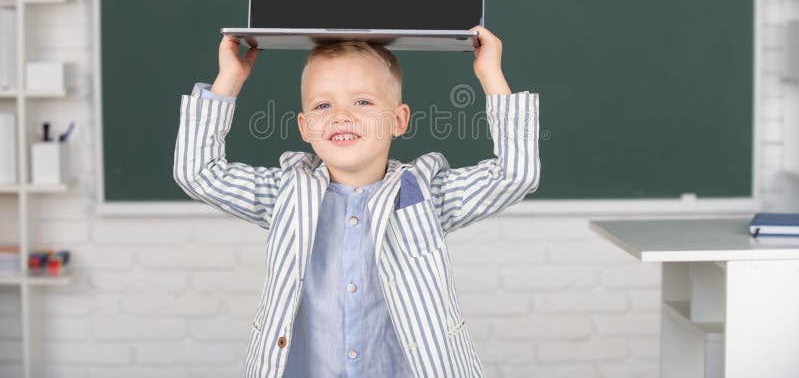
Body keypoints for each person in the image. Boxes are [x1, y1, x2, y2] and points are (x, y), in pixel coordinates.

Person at [173, 25, 540, 378]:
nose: (341, 116)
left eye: (362, 101)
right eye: (322, 106)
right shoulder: (286, 193)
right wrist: (229, 81)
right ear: (304, 127)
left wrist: (490, 74)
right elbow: (198, 172)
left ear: (398, 120)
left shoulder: (423, 194)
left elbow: (515, 174)